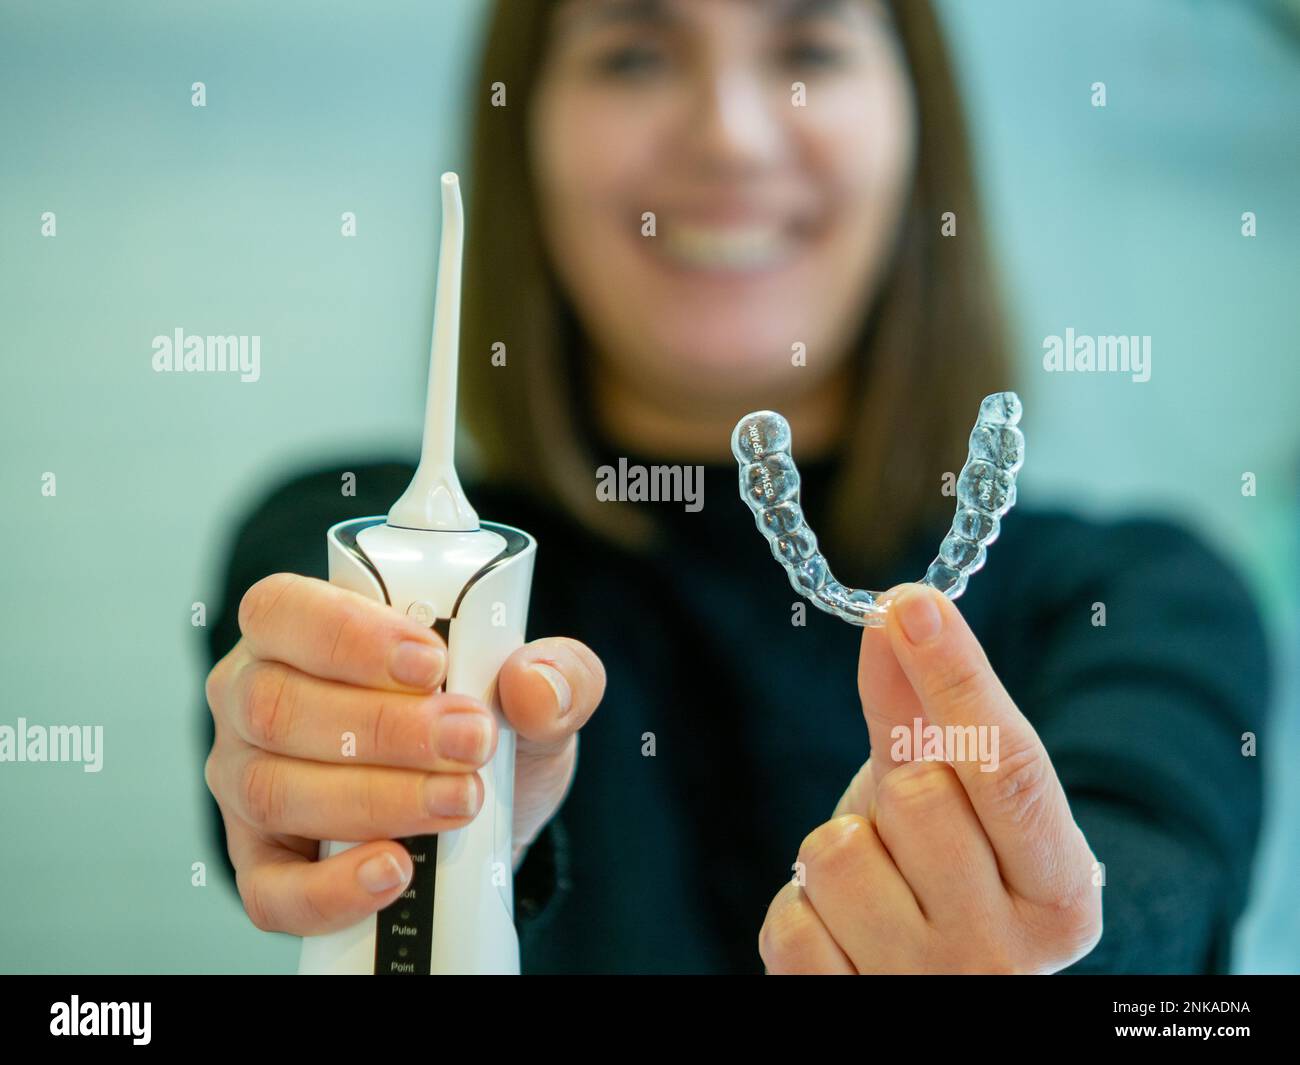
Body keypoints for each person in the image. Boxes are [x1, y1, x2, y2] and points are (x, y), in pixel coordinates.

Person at [202, 0, 1269, 974]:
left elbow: (1155, 874)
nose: (731, 134)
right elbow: (322, 735)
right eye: (632, 55)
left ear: (916, 127)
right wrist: (399, 796)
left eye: (807, 51)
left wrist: (1060, 943)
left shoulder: (1142, 599)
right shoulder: (362, 555)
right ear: (523, 133)